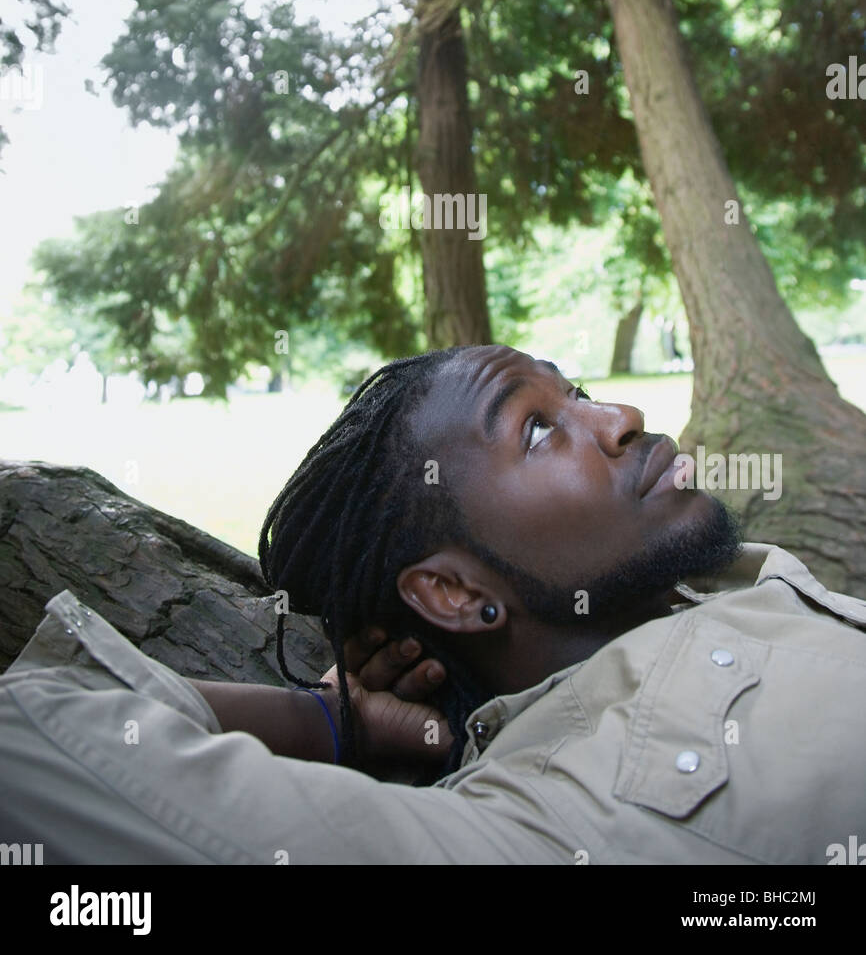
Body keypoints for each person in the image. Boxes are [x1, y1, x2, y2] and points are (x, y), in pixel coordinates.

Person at [1, 344, 865, 865]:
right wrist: (335, 725)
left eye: (578, 392)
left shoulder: (711, 591)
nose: (621, 415)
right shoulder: (534, 823)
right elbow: (28, 748)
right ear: (453, 593)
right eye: (536, 430)